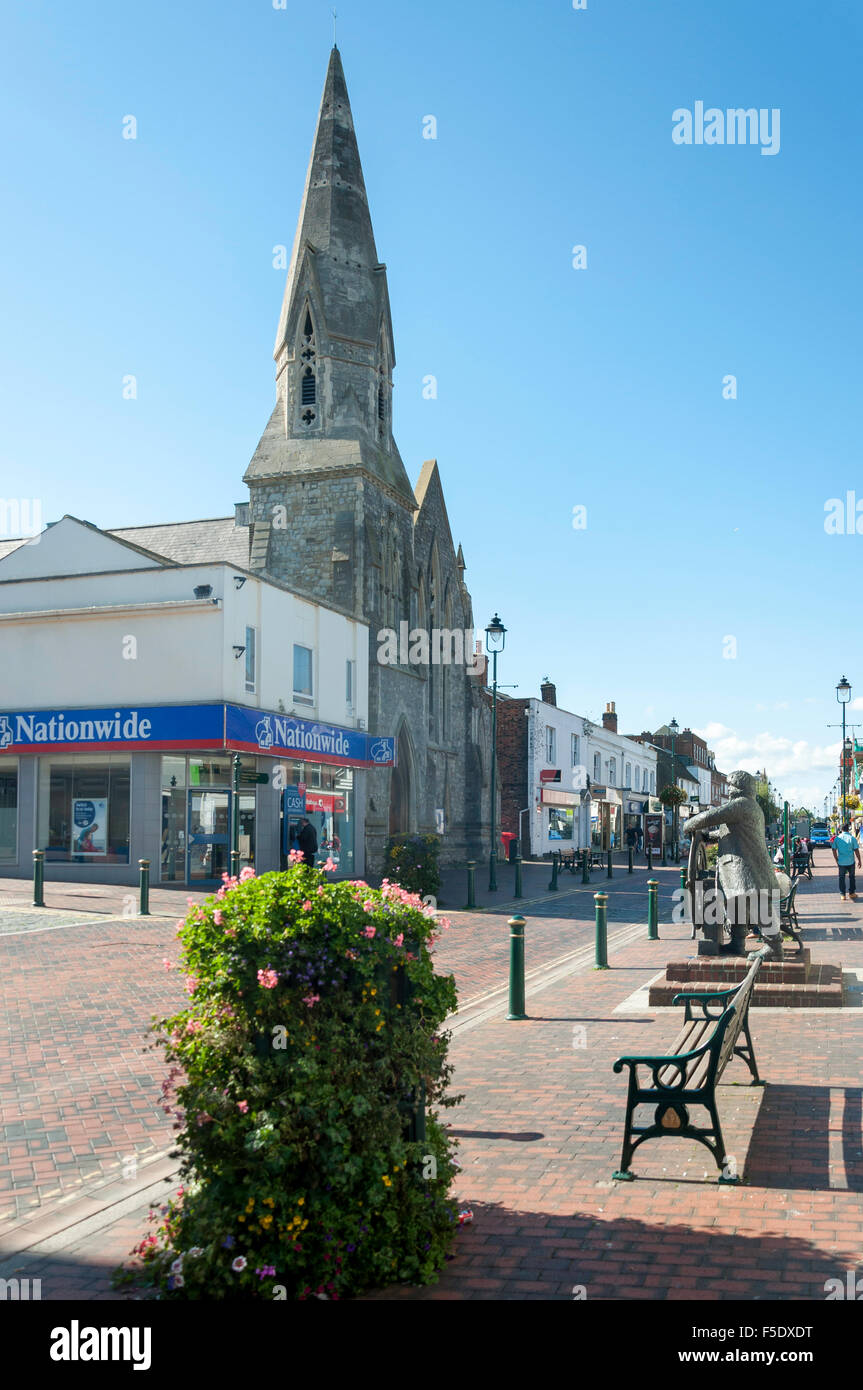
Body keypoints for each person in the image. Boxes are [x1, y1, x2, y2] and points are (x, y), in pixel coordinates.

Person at [831, 822, 861, 901]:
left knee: (841, 878)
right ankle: (851, 893)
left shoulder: (837, 838)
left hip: (841, 862)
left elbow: (833, 849)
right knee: (852, 877)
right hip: (851, 861)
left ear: (841, 829)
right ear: (848, 829)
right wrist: (859, 860)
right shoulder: (852, 838)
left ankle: (842, 895)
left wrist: (836, 858)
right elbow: (856, 850)